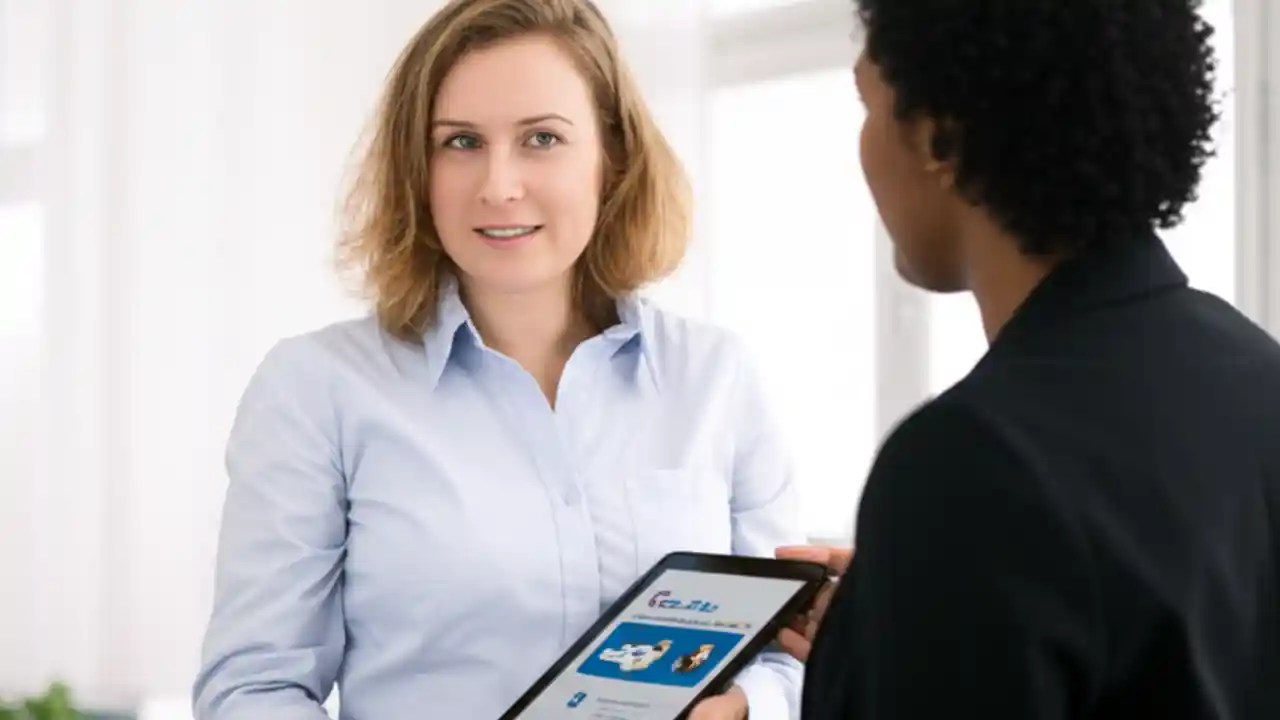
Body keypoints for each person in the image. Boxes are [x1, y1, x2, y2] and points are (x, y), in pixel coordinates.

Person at [191, 1, 803, 718]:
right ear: (414, 168)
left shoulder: (714, 378)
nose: (498, 185)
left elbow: (783, 652)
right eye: (460, 143)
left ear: (613, 155)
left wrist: (744, 710)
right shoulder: (316, 391)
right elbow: (253, 691)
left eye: (542, 138)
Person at [778, 1, 1280, 718]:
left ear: (935, 137)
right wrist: (909, 621)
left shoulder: (969, 465)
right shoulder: (1258, 373)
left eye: (868, 102)